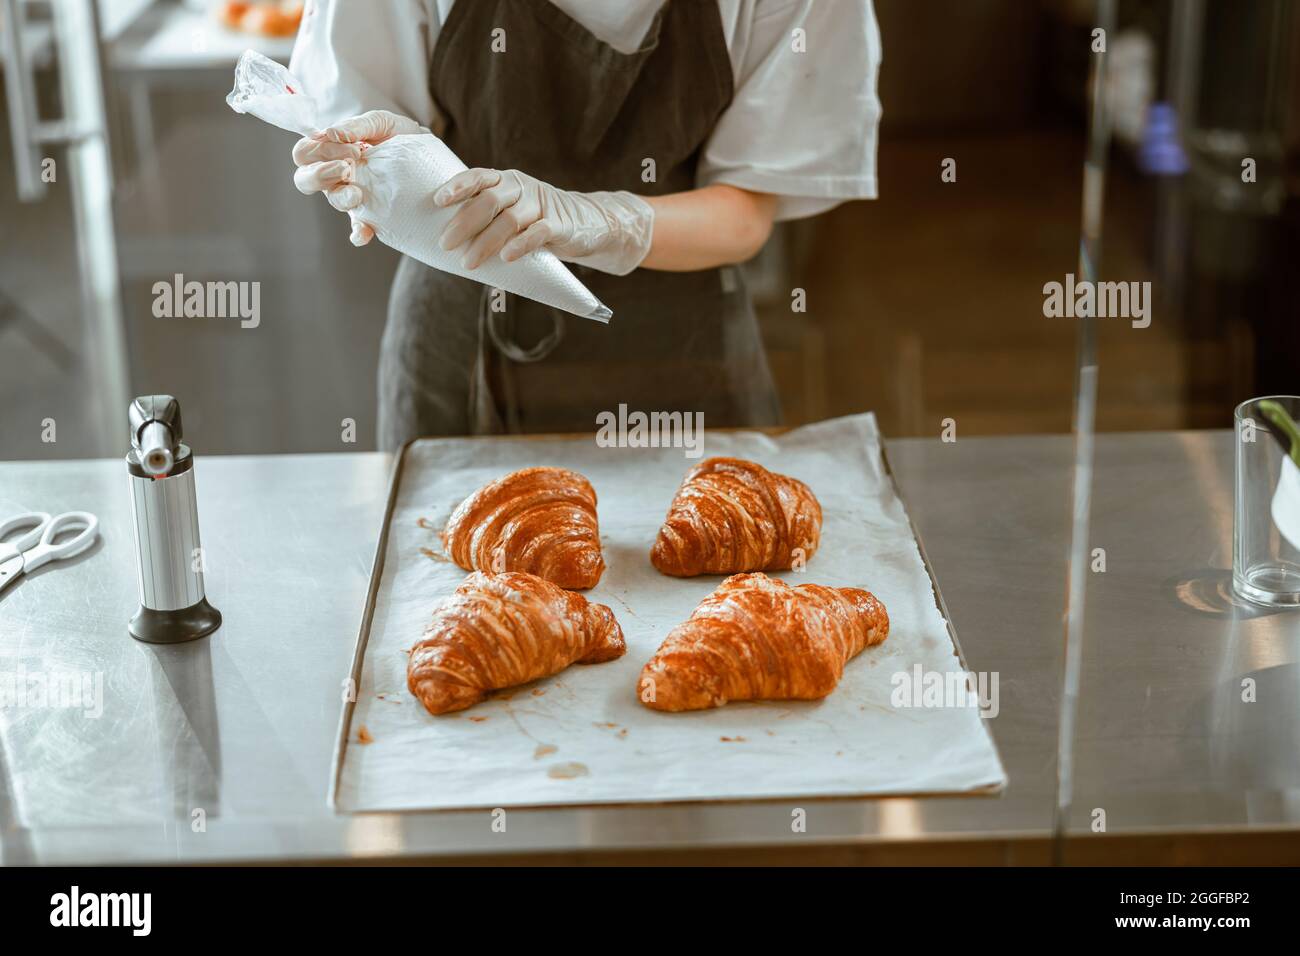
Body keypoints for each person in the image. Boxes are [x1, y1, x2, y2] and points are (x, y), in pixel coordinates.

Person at [288, 0, 882, 448]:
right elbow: (365, 125)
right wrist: (375, 166)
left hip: (683, 349)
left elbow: (748, 211)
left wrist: (602, 221)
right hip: (462, 345)